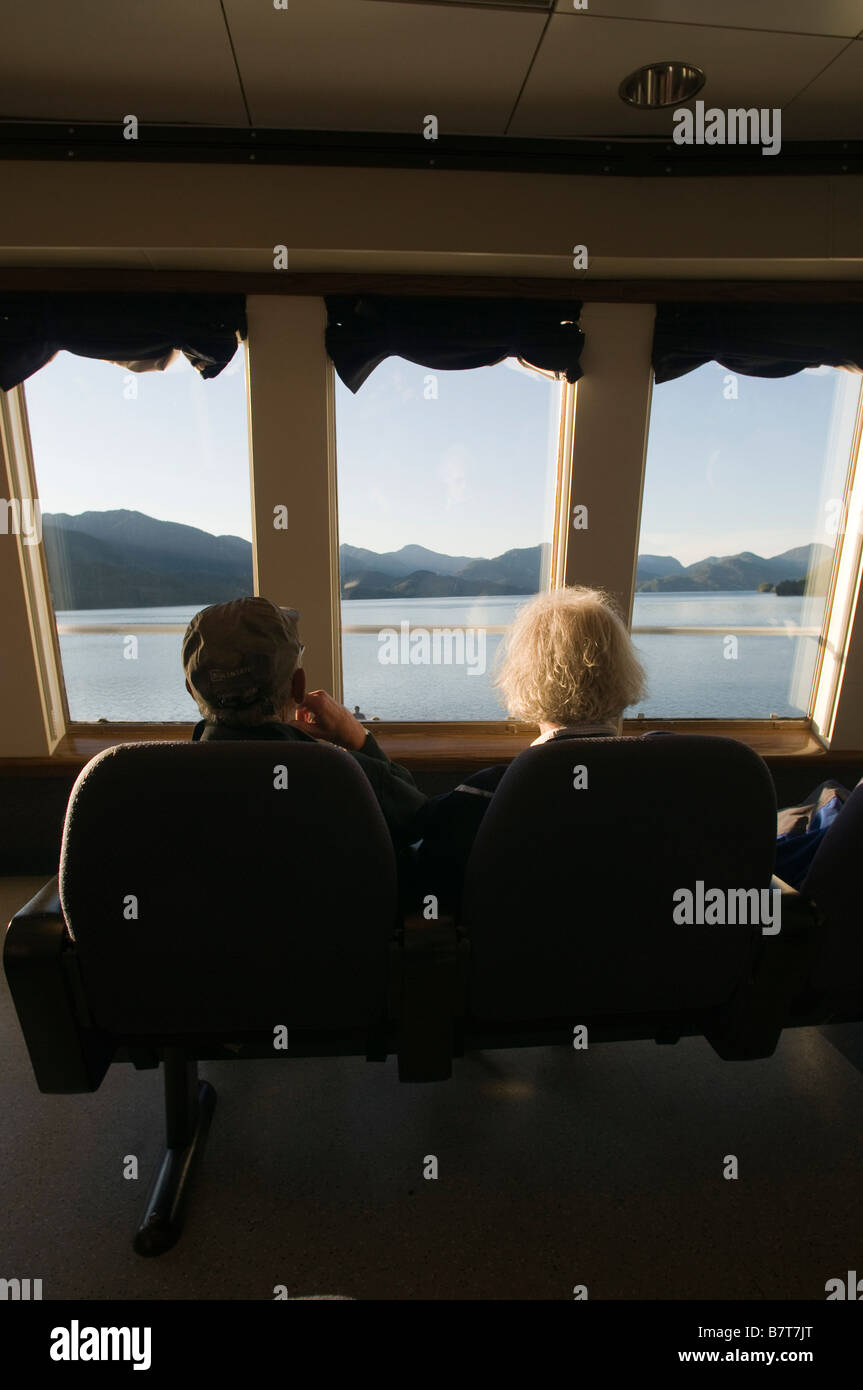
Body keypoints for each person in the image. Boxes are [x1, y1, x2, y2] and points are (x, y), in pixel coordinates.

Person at [413, 586, 648, 912]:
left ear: (523, 676)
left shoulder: (486, 797)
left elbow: (430, 898)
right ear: (624, 670)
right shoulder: (659, 786)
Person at [182, 596, 426, 850]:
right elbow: (420, 819)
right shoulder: (343, 776)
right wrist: (358, 738)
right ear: (298, 685)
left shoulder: (167, 781)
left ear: (191, 690)